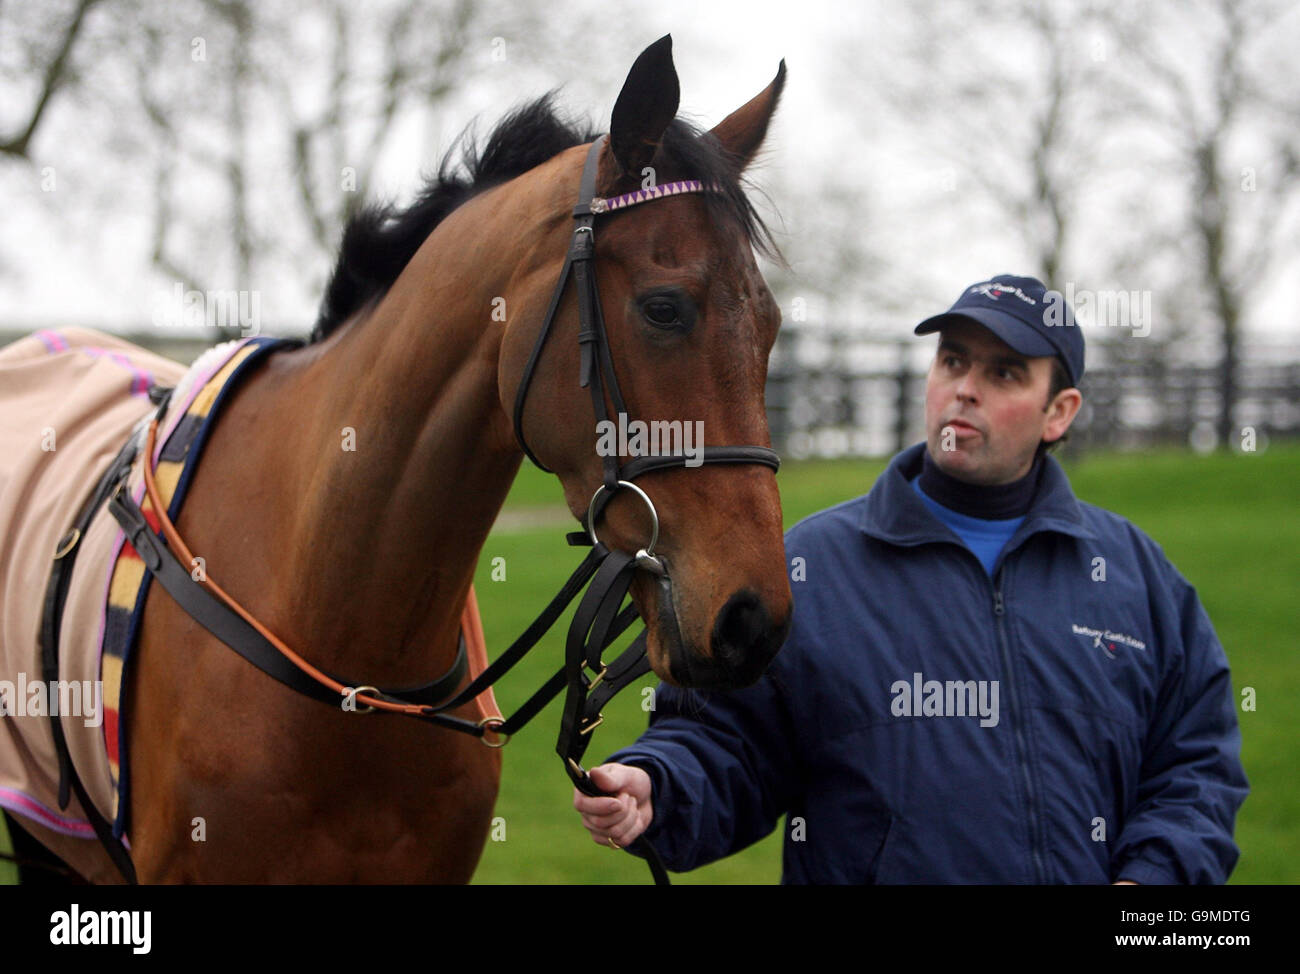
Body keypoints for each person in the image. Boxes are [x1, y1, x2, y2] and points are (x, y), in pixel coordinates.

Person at [573, 274, 1249, 884]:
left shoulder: (1133, 575)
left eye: (1006, 373)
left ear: (1060, 412)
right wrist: (658, 787)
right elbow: (726, 746)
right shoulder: (812, 566)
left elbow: (1196, 767)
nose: (965, 388)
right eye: (952, 360)